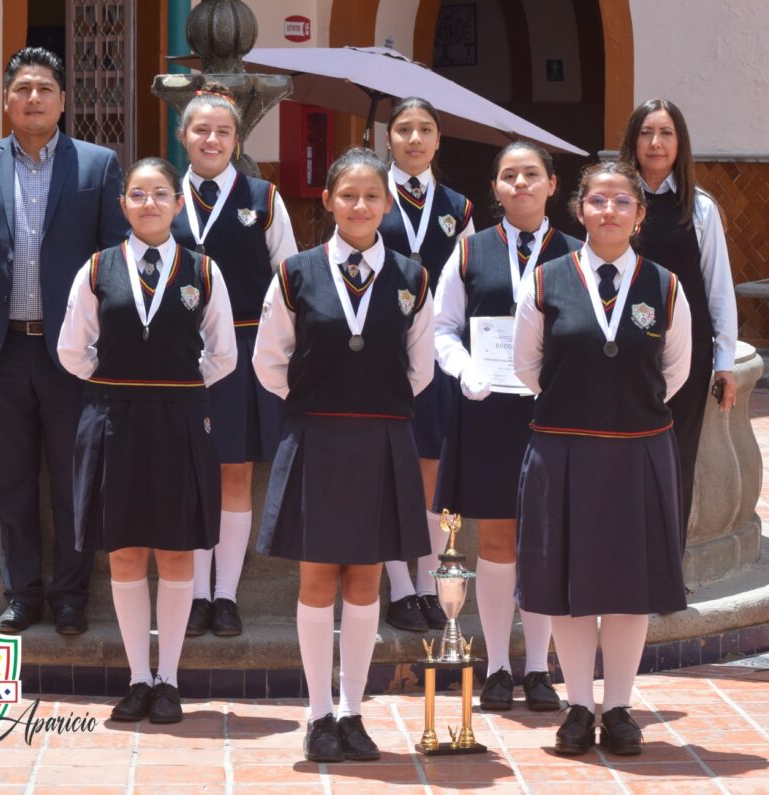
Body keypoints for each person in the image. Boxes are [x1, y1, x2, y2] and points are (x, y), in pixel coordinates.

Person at [0, 47, 130, 635]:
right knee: (12, 481)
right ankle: (22, 595)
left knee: (75, 481)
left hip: (71, 355)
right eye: (23, 88)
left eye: (45, 88)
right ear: (7, 100)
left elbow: (116, 262)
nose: (34, 98)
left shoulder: (96, 166)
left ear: (64, 101)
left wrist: (106, 343)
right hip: (0, 352)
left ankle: (70, 597)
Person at [253, 148, 434, 763]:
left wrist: (371, 402)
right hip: (316, 436)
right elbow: (269, 361)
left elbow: (421, 368)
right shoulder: (297, 273)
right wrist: (316, 405)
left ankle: (354, 712)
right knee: (317, 579)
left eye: (372, 197)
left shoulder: (412, 277)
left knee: (365, 581)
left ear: (387, 205)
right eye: (348, 195)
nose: (360, 206)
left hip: (382, 437)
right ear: (327, 201)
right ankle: (317, 713)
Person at [513, 160, 692, 756]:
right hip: (562, 447)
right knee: (567, 583)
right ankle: (578, 705)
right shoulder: (544, 281)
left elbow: (675, 372)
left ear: (639, 216)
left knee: (626, 585)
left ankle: (618, 707)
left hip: (636, 450)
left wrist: (621, 411)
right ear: (580, 210)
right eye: (598, 200)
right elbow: (526, 367)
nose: (609, 211)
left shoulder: (665, 286)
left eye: (622, 202)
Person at [57, 157, 236, 723]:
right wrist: (116, 386)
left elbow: (225, 353)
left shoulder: (204, 271)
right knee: (127, 550)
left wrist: (179, 387)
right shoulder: (96, 268)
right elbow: (71, 349)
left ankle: (170, 679)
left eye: (161, 193)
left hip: (181, 420)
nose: (150, 203)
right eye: (139, 194)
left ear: (177, 204)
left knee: (178, 549)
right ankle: (138, 678)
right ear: (123, 205)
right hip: (114, 419)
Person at [433, 141, 580, 712]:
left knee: (541, 541)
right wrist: (464, 366)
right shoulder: (469, 253)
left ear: (552, 184)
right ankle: (496, 666)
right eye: (509, 176)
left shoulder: (576, 255)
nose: (520, 184)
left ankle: (539, 669)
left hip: (553, 416)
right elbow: (442, 328)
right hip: (488, 409)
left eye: (531, 175)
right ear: (494, 189)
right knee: (494, 540)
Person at [172, 83, 299, 638]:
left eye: (223, 131)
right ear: (184, 137)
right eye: (201, 130)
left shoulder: (264, 198)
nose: (212, 139)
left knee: (234, 473)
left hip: (243, 353)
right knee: (189, 473)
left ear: (237, 139)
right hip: (174, 355)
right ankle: (195, 595)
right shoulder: (162, 197)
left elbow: (289, 279)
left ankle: (225, 595)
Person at [619, 98, 738, 543]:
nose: (656, 143)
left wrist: (724, 360)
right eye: (647, 132)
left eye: (666, 133)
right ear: (633, 140)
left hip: (688, 352)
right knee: (624, 455)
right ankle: (626, 558)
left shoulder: (699, 207)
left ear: (680, 143)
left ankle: (668, 564)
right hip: (624, 349)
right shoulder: (616, 202)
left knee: (676, 457)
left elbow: (718, 288)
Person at [377, 97, 475, 634]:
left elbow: (462, 286)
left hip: (436, 351)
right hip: (381, 349)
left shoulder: (458, 207)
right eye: (404, 129)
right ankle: (399, 588)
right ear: (388, 137)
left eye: (426, 130)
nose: (415, 139)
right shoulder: (370, 192)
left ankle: (431, 581)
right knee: (391, 468)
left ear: (439, 141)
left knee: (433, 472)